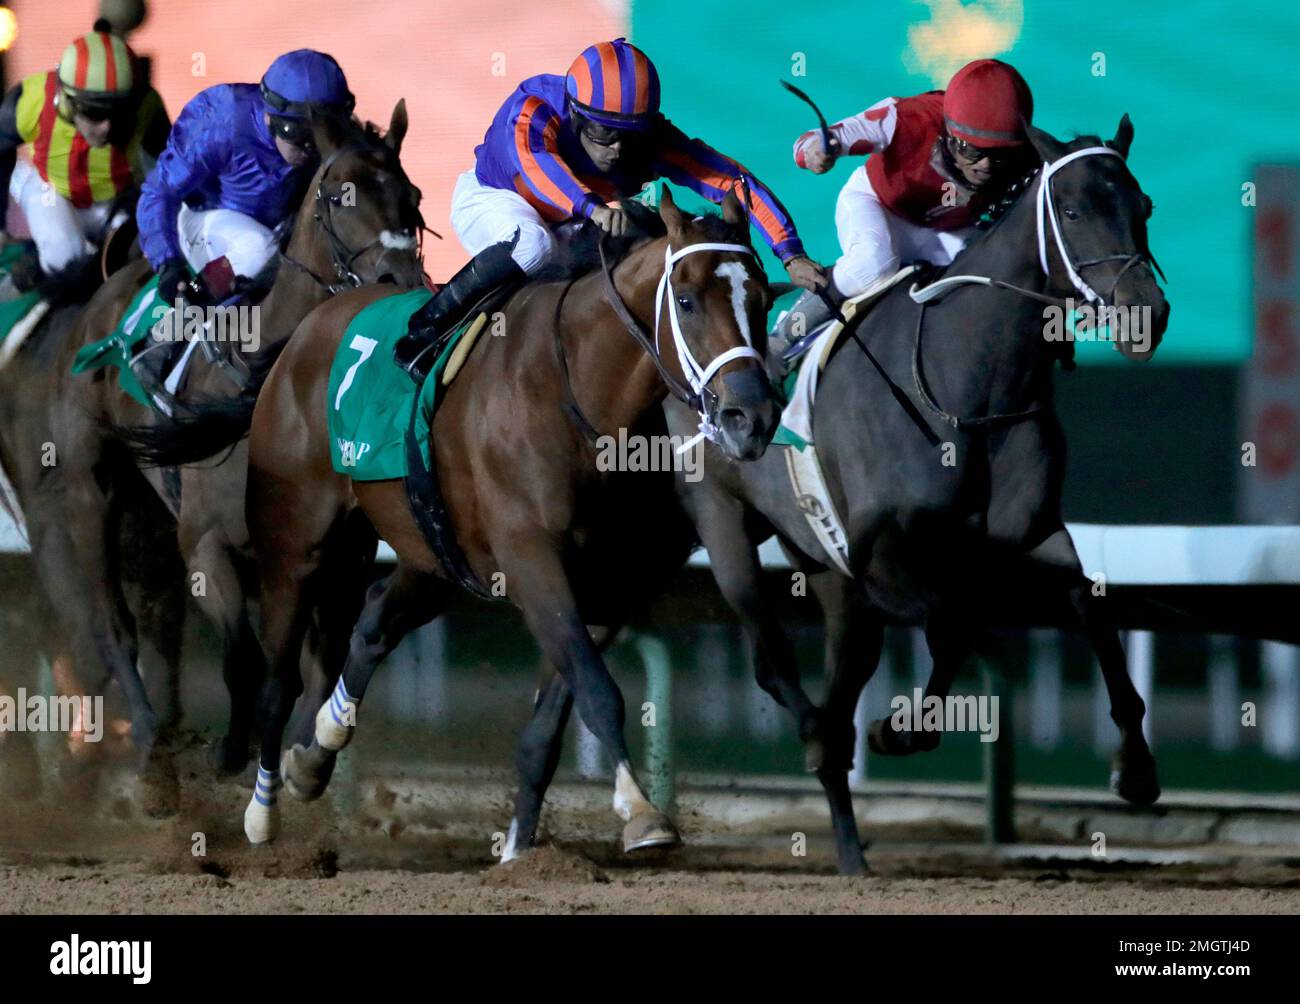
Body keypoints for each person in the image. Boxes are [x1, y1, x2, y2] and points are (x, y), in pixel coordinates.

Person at [396, 37, 825, 381]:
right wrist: (592, 207)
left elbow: (732, 181)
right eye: (603, 132)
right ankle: (427, 329)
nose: (618, 149)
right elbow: (537, 167)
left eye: (631, 135)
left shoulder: (650, 141)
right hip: (496, 201)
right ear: (577, 116)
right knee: (533, 243)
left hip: (574, 221)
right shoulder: (535, 107)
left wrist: (790, 252)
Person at [770, 58, 1037, 367]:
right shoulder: (908, 117)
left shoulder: (1027, 156)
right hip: (877, 204)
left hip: (948, 231)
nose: (986, 166)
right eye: (971, 150)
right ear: (949, 130)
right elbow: (810, 142)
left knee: (986, 280)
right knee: (874, 262)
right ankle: (781, 339)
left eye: (1000, 154)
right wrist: (813, 152)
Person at [132, 48, 354, 385]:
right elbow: (159, 191)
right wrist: (167, 262)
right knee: (257, 249)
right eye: (301, 136)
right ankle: (168, 332)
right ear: (268, 117)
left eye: (323, 135)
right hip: (206, 218)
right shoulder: (222, 119)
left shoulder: (328, 135)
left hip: (280, 225)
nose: (313, 149)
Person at [0, 28, 168, 281]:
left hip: (116, 199)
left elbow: (168, 167)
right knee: (66, 262)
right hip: (52, 192)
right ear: (65, 100)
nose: (107, 127)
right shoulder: (27, 101)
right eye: (94, 112)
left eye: (119, 113)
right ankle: (38, 266)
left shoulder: (147, 104)